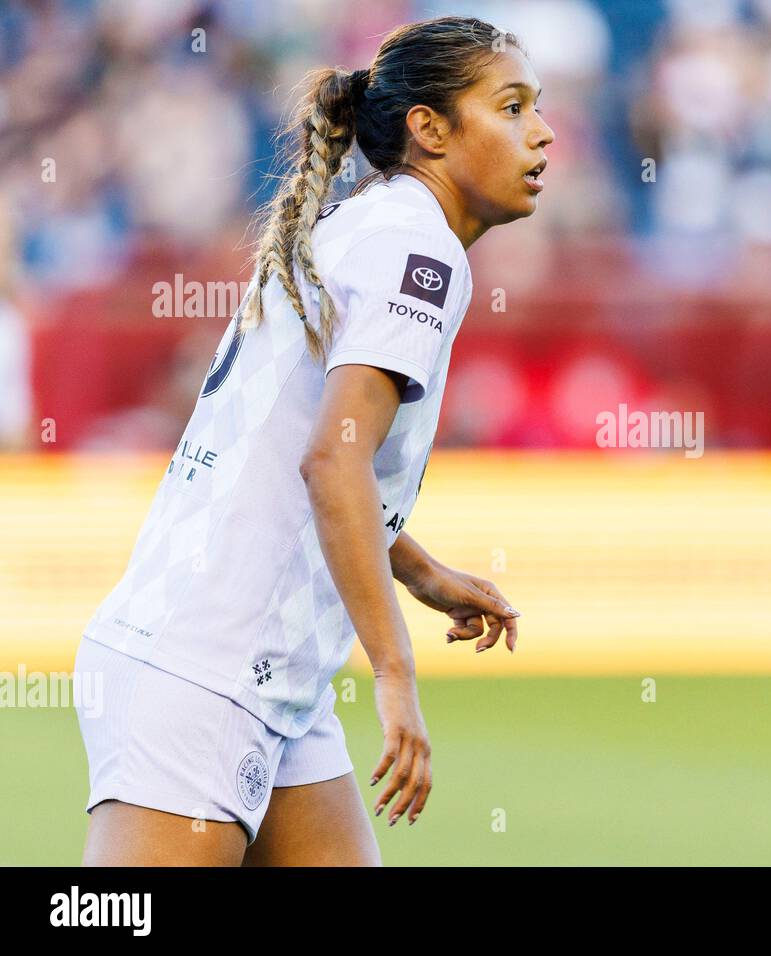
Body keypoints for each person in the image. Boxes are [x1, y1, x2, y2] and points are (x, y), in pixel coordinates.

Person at [72, 15, 555, 866]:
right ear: (430, 129)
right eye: (511, 107)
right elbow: (330, 458)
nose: (542, 132)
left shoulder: (375, 226)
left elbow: (317, 448)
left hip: (267, 678)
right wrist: (396, 674)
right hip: (203, 669)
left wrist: (421, 569)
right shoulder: (417, 252)